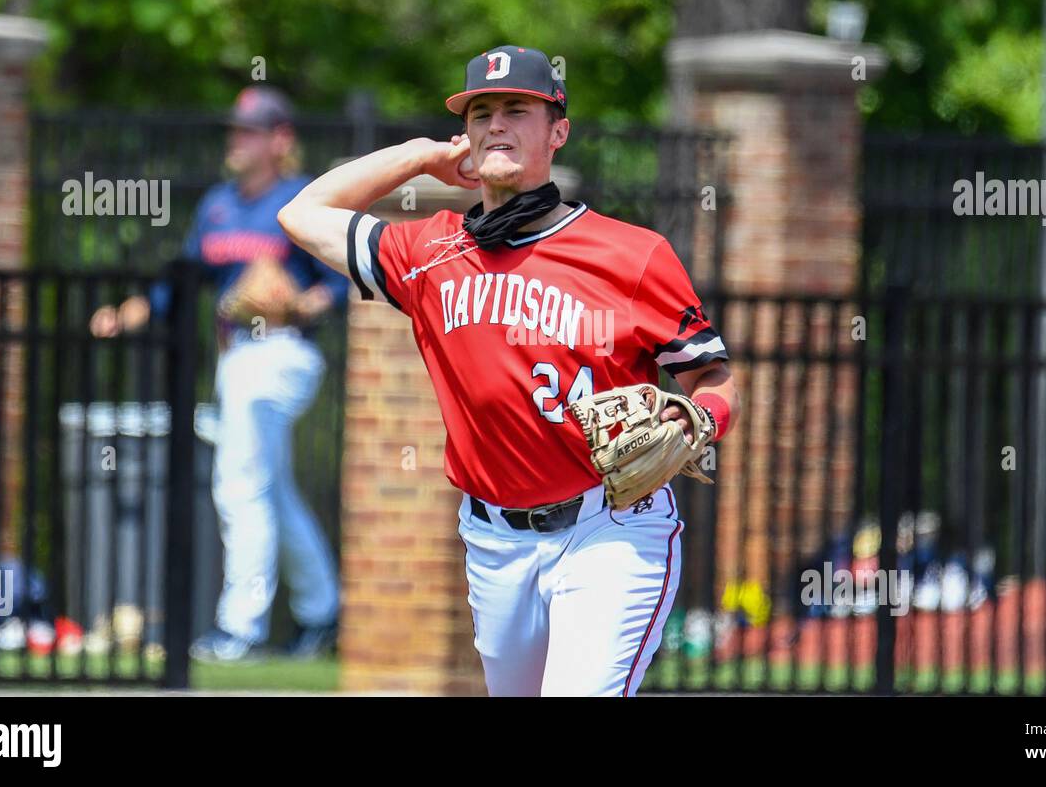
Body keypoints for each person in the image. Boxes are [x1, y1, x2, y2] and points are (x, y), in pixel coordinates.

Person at [279, 46, 740, 696]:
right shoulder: (429, 252)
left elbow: (715, 379)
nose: (496, 124)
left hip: (610, 528)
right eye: (482, 112)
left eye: (517, 109)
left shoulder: (632, 255)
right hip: (493, 542)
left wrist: (697, 419)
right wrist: (419, 155)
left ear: (558, 130)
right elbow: (299, 214)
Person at [90, 86, 346, 661]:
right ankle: (322, 610)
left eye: (250, 130)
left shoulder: (299, 202)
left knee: (239, 484)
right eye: (235, 129)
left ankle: (241, 627)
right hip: (235, 359)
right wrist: (130, 312)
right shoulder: (218, 206)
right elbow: (183, 280)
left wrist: (296, 303)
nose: (237, 139)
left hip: (282, 355)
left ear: (281, 139)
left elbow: (336, 286)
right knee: (268, 486)